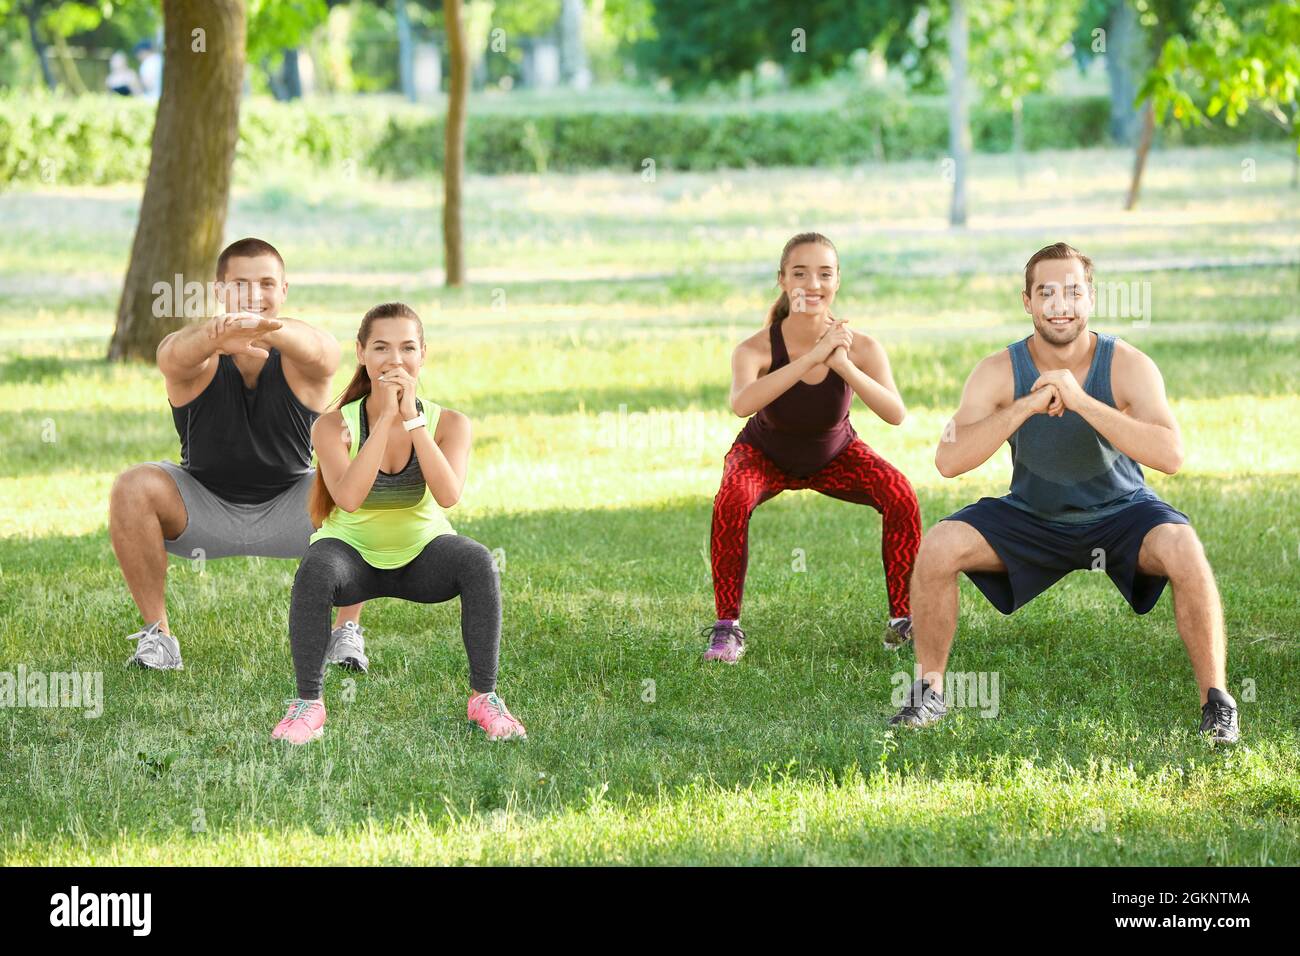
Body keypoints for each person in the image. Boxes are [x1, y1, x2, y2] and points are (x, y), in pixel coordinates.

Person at [889, 241, 1239, 745]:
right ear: (1027, 302)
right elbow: (949, 460)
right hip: (1032, 515)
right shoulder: (997, 370)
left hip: (1122, 515)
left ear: (1090, 298)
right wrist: (1026, 406)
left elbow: (1171, 455)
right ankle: (928, 692)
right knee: (940, 545)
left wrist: (1080, 401)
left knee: (1184, 546)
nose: (1060, 304)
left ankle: (1217, 703)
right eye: (1046, 293)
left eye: (1073, 292)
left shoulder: (1127, 364)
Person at [270, 302, 526, 744]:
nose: (395, 360)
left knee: (478, 561)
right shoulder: (333, 426)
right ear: (361, 354)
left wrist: (413, 421)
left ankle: (485, 698)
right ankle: (307, 705)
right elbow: (347, 499)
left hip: (422, 554)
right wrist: (385, 417)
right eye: (382, 348)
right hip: (351, 557)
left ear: (423, 354)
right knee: (315, 568)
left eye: (408, 348)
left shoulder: (452, 424)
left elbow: (448, 495)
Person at [110, 238, 370, 671]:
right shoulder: (200, 355)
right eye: (240, 284)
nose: (254, 294)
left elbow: (326, 350)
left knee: (365, 475)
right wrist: (217, 335)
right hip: (201, 506)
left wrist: (264, 328)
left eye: (266, 283)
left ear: (284, 290)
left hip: (294, 507)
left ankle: (345, 634)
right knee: (132, 485)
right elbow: (169, 354)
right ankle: (159, 639)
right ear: (218, 291)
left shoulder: (299, 359)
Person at [704, 231, 922, 663]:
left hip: (835, 455)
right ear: (783, 280)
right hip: (763, 456)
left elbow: (895, 413)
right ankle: (726, 629)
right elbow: (741, 404)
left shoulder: (860, 346)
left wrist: (840, 363)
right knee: (732, 498)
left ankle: (903, 619)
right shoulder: (756, 347)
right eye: (800, 274)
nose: (812, 284)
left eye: (824, 274)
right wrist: (810, 358)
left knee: (900, 494)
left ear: (837, 281)